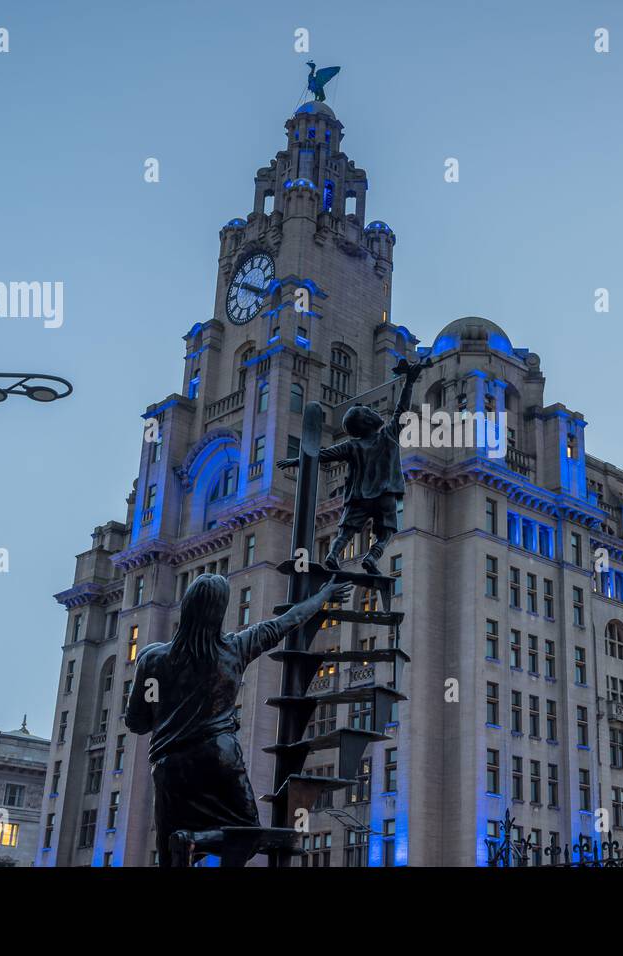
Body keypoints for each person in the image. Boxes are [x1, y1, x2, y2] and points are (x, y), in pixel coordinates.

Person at [125, 572, 351, 866]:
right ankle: (196, 841)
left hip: (169, 766)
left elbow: (137, 723)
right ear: (220, 611)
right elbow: (285, 622)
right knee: (249, 833)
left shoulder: (152, 658)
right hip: (219, 756)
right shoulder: (235, 648)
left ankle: (190, 842)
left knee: (169, 856)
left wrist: (165, 709)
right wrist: (322, 597)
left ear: (187, 607)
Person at [277, 357, 429, 574]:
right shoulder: (388, 435)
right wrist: (410, 382)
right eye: (369, 412)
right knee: (386, 532)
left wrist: (297, 461)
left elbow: (321, 455)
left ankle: (332, 554)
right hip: (385, 493)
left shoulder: (352, 446)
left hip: (359, 497)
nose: (374, 412)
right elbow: (401, 410)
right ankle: (372, 556)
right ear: (367, 422)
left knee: (346, 531)